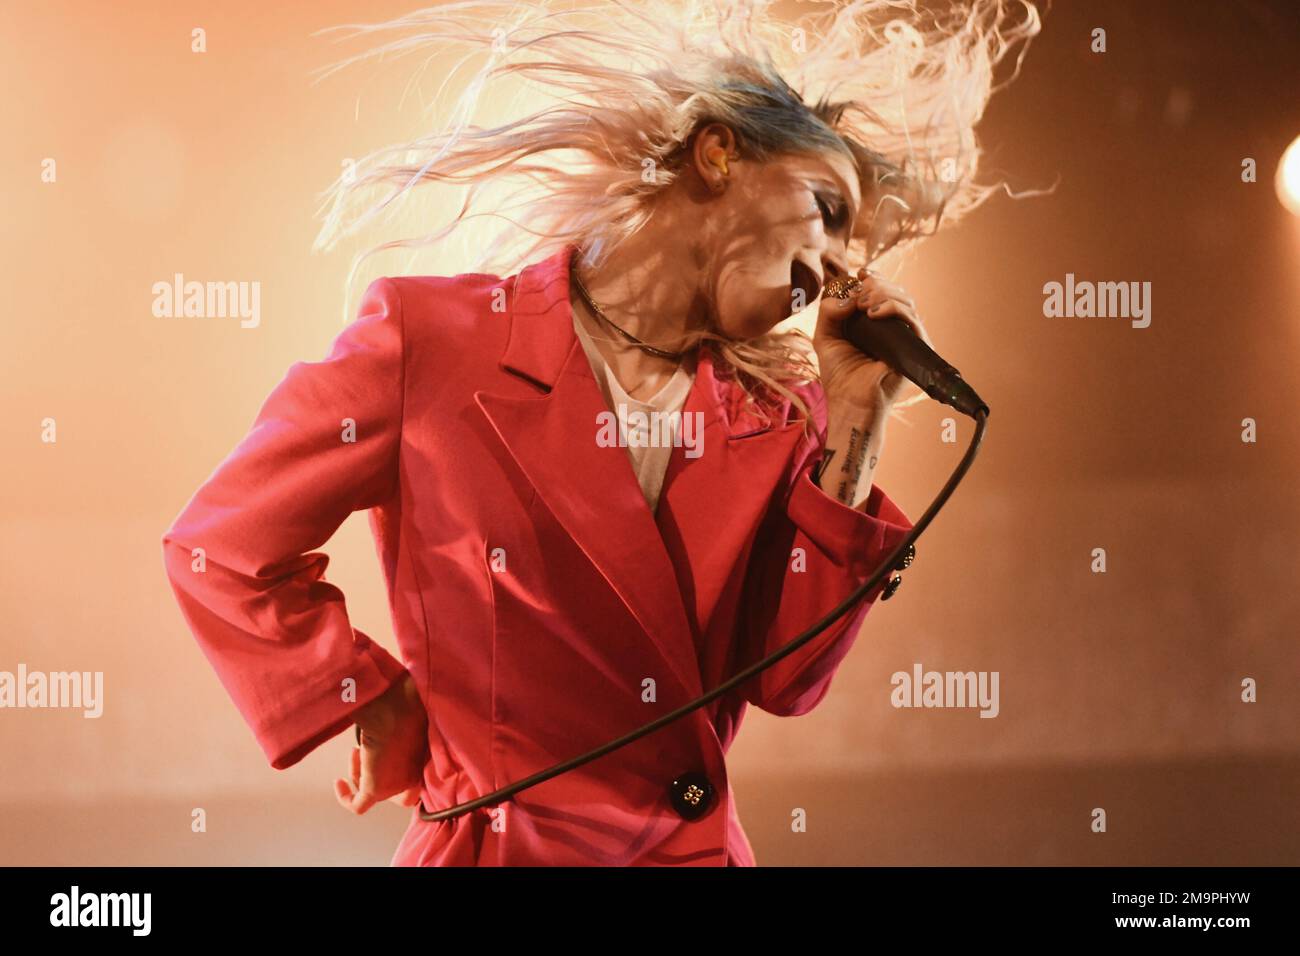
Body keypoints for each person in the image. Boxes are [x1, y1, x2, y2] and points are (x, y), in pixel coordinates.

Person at [161, 0, 1038, 865]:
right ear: (719, 152)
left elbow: (786, 679)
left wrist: (857, 419)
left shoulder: (780, 417)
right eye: (830, 208)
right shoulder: (433, 342)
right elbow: (222, 547)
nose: (845, 264)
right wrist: (364, 693)